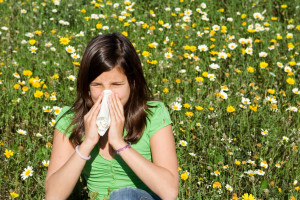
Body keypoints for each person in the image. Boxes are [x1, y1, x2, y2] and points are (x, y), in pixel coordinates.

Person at [45, 32, 179, 200]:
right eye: (97, 85)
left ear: (133, 83)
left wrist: (119, 143)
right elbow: (53, 196)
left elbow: (170, 192)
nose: (106, 93)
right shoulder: (69, 120)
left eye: (116, 84)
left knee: (124, 196)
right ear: (86, 86)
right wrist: (87, 143)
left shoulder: (153, 114)